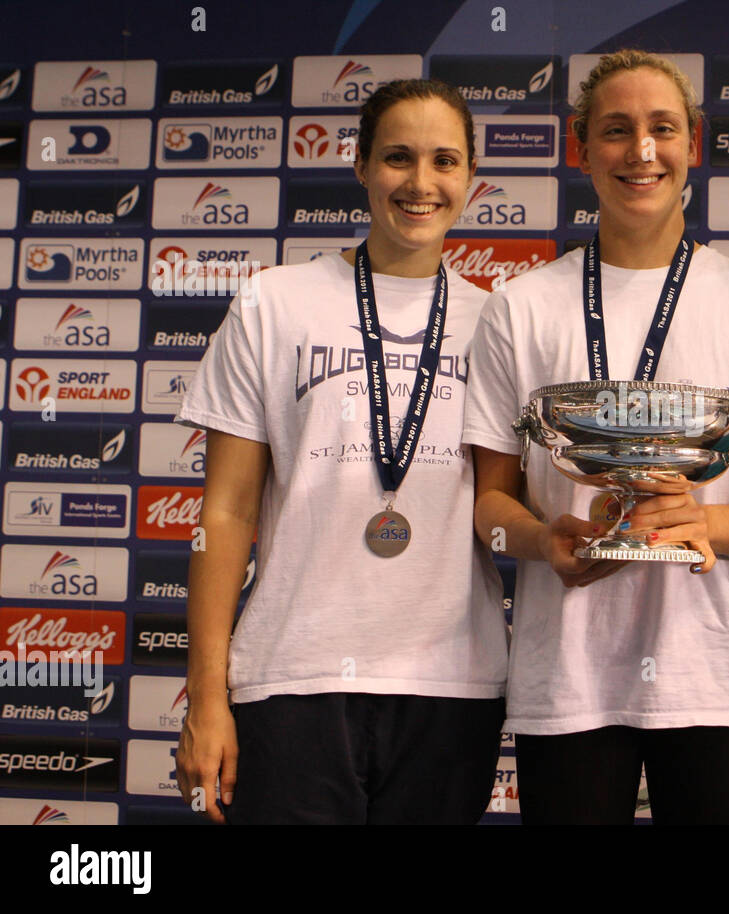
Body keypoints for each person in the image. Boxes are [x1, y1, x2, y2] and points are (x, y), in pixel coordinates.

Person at [464, 50, 729, 825]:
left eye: (662, 129)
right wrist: (539, 538)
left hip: (714, 678)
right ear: (580, 146)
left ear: (696, 140)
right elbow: (488, 500)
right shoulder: (519, 307)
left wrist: (706, 522)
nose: (641, 152)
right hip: (567, 682)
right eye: (616, 131)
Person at [174, 78, 508, 825]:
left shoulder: (500, 323)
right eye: (397, 157)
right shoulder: (274, 302)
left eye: (444, 161)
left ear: (470, 178)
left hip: (450, 685)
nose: (420, 183)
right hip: (292, 677)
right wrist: (204, 697)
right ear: (359, 167)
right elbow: (224, 512)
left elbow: (504, 505)